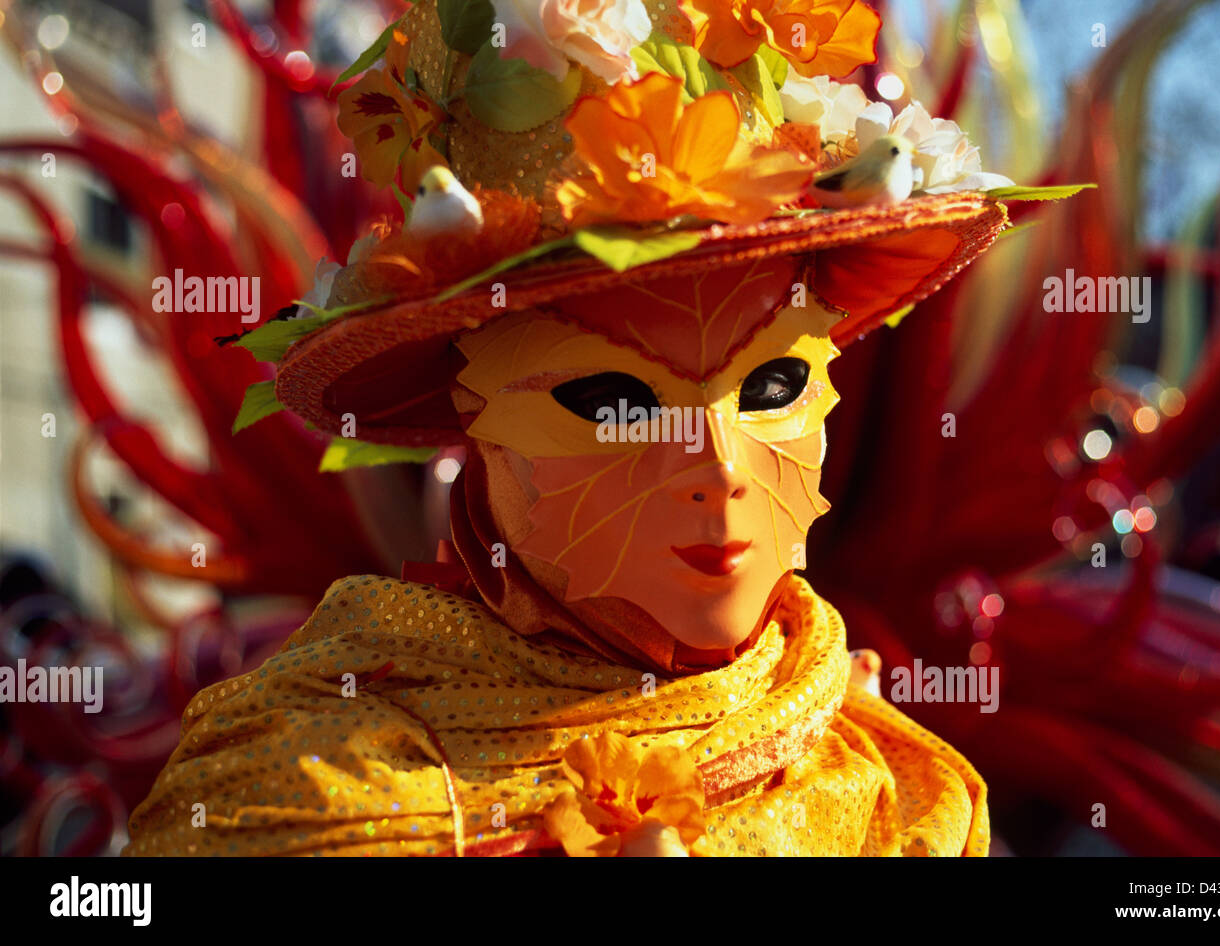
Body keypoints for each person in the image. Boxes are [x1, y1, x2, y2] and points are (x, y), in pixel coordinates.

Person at [126, 0, 1020, 857]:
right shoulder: (313, 783)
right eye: (616, 405)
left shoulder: (888, 782)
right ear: (476, 423)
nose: (719, 467)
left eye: (774, 383)